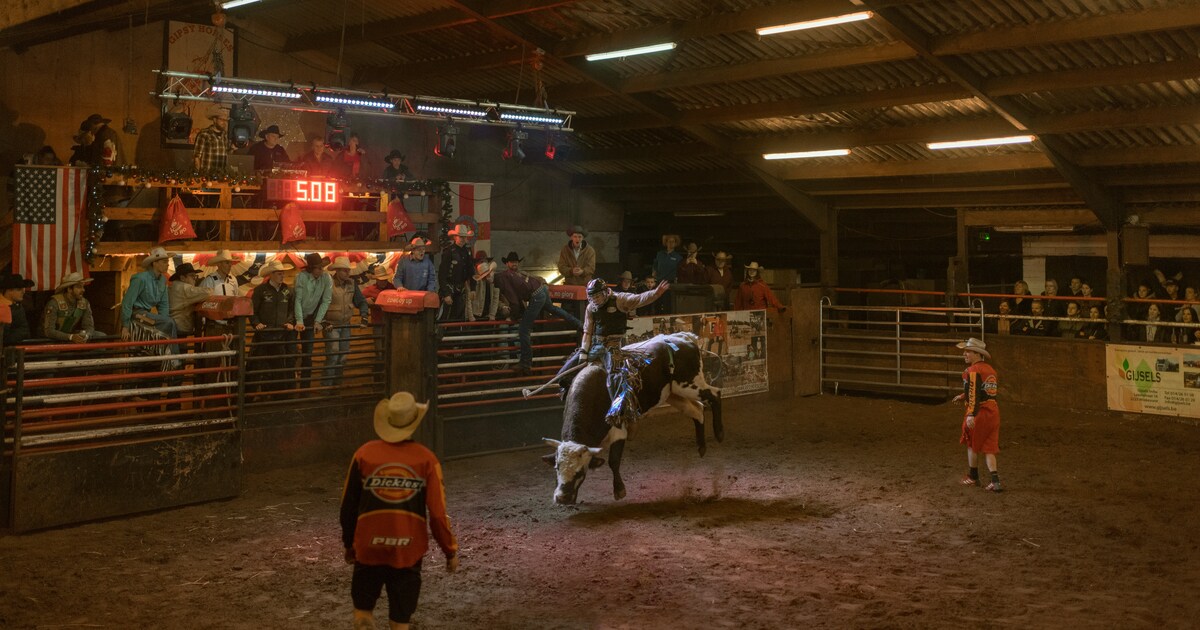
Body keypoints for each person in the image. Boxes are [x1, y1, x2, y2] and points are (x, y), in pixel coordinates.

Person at [340, 391, 458, 630]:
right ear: (414, 422)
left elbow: (348, 505)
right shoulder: (427, 460)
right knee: (400, 621)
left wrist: (349, 544)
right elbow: (437, 514)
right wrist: (450, 550)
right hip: (408, 550)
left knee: (362, 612)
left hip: (369, 547)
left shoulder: (364, 454)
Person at [493, 251, 582, 376]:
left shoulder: (505, 278)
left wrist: (515, 315)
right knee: (553, 309)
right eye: (512, 262)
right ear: (507, 263)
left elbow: (514, 301)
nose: (514, 264)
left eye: (515, 262)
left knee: (524, 329)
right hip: (541, 290)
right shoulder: (519, 274)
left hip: (536, 295)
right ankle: (579, 323)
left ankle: (525, 363)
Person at [953, 338, 1002, 493]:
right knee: (989, 447)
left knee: (972, 444)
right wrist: (963, 395)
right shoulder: (990, 370)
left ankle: (973, 476)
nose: (964, 354)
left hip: (979, 412)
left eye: (968, 351)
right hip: (993, 412)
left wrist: (970, 414)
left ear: (976, 353)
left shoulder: (972, 370)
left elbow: (974, 394)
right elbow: (984, 391)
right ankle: (995, 481)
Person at [120, 247, 181, 368]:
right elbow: (127, 302)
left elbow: (163, 305)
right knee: (170, 322)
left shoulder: (162, 280)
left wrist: (164, 320)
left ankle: (167, 357)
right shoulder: (140, 278)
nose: (167, 264)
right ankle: (173, 358)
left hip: (146, 315)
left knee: (169, 322)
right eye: (164, 261)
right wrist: (125, 326)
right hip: (136, 314)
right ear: (155, 263)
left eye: (167, 261)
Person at [250, 260, 296, 394]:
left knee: (278, 367)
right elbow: (252, 310)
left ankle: (276, 395)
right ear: (271, 274)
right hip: (263, 335)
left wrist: (290, 322)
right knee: (258, 366)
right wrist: (256, 323)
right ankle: (254, 395)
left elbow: (292, 309)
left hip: (280, 335)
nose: (282, 276)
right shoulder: (260, 290)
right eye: (279, 273)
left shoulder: (288, 290)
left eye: (283, 273)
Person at [323, 257, 370, 388]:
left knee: (342, 357)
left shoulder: (352, 284)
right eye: (344, 270)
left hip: (345, 324)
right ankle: (327, 387)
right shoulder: (328, 284)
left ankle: (336, 386)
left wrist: (364, 315)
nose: (347, 273)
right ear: (337, 271)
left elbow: (361, 301)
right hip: (331, 325)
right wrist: (323, 320)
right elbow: (321, 303)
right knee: (333, 356)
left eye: (348, 270)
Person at [294, 253, 333, 386]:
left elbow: (326, 300)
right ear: (311, 268)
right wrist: (299, 320)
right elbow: (298, 300)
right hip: (294, 317)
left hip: (311, 317)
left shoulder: (326, 278)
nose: (321, 270)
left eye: (322, 267)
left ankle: (305, 388)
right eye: (318, 268)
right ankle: (289, 386)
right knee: (291, 351)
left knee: (308, 354)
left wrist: (318, 320)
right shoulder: (301, 277)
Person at [42, 272, 97, 343]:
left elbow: (89, 326)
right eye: (79, 287)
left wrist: (86, 335)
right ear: (69, 289)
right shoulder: (54, 303)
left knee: (101, 335)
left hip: (71, 336)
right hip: (51, 340)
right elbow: (49, 331)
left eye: (83, 287)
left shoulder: (85, 303)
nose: (83, 290)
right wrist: (70, 337)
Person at [438, 224, 475, 321]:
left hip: (461, 288)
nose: (463, 239)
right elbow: (442, 274)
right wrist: (446, 293)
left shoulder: (467, 252)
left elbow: (471, 271)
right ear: (455, 237)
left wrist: (473, 288)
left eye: (464, 237)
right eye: (461, 237)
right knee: (445, 316)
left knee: (459, 316)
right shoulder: (449, 251)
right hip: (449, 287)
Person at [167, 263, 212, 340]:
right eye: (191, 276)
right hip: (180, 326)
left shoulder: (173, 286)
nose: (194, 278)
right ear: (182, 278)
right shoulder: (184, 288)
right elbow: (208, 292)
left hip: (173, 325)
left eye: (195, 276)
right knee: (181, 346)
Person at [652, 234, 684, 314]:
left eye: (673, 242)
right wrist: (654, 272)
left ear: (675, 243)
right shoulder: (660, 254)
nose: (671, 243)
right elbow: (655, 265)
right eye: (669, 241)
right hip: (659, 282)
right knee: (657, 304)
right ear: (666, 243)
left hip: (670, 284)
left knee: (667, 305)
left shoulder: (678, 257)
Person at [1, 273, 34, 346]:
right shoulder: (5, 307)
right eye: (19, 289)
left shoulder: (17, 307)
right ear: (9, 290)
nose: (23, 292)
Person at [193, 108, 231, 172]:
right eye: (222, 119)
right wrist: (199, 174)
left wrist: (232, 148)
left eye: (226, 120)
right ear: (214, 120)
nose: (224, 122)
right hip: (207, 173)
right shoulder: (204, 134)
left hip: (221, 174)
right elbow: (197, 157)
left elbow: (227, 153)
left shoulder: (225, 135)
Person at [468, 254, 499, 322]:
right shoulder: (473, 280)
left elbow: (495, 298)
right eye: (480, 261)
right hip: (476, 313)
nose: (483, 263)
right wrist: (470, 316)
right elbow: (469, 299)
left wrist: (492, 314)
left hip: (488, 313)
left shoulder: (494, 279)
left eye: (484, 261)